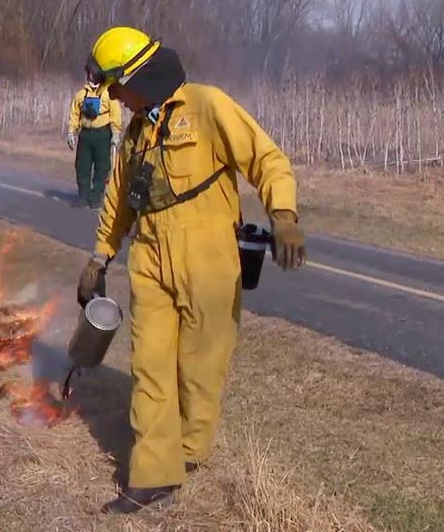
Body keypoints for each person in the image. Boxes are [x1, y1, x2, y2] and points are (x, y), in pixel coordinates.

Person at [75, 26, 307, 514]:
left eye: (116, 86)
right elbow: (118, 201)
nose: (113, 97)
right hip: (150, 257)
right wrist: (100, 256)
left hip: (208, 257)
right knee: (150, 366)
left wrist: (283, 215)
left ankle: (189, 451)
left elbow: (266, 159)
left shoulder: (206, 106)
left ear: (137, 76)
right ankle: (154, 475)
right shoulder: (134, 134)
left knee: (200, 370)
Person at [67, 68, 122, 208]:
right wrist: (71, 132)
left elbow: (115, 114)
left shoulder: (108, 94)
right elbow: (74, 114)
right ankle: (83, 197)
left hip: (102, 134)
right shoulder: (80, 95)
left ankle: (96, 198)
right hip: (85, 135)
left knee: (102, 168)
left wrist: (116, 133)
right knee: (82, 167)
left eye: (94, 73)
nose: (92, 76)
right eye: (90, 73)